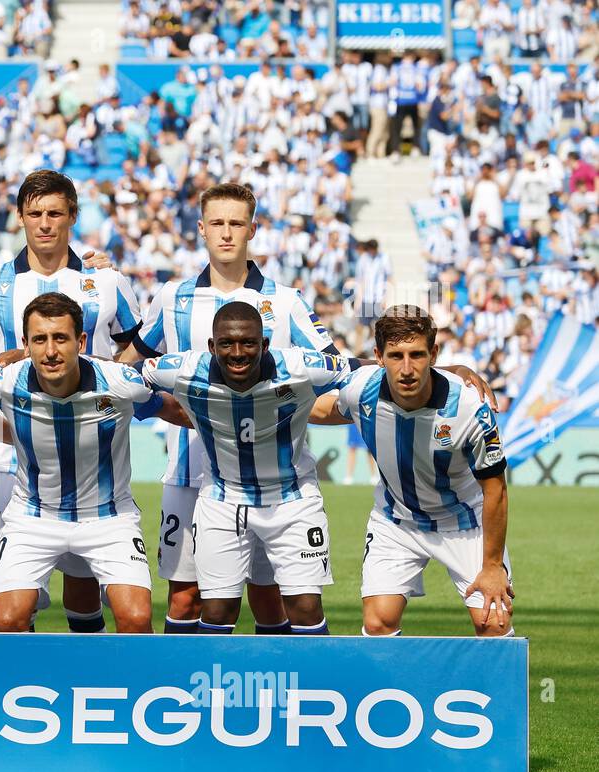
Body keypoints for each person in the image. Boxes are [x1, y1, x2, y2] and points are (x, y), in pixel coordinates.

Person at [117, 182, 338, 635]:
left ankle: (271, 695)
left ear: (252, 229)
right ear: (201, 228)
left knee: (269, 594)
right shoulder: (174, 297)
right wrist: (159, 407)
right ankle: (184, 695)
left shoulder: (285, 300)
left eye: (236, 223)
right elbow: (125, 369)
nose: (226, 233)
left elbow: (335, 371)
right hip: (189, 467)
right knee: (186, 594)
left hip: (270, 472)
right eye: (216, 223)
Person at [0, 169, 141, 633]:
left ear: (73, 215)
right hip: (12, 462)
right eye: (35, 214)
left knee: (84, 587)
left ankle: (84, 693)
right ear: (20, 217)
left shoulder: (105, 281)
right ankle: (22, 688)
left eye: (55, 213)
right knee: (15, 606)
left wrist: (104, 381)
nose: (45, 223)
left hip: (94, 461)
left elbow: (137, 353)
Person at [141, 301, 355, 636]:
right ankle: (208, 688)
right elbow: (124, 377)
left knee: (305, 608)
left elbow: (364, 370)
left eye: (248, 343)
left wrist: (452, 371)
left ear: (265, 344)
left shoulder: (300, 367)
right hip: (222, 501)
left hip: (293, 499)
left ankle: (313, 687)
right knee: (216, 611)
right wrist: (168, 409)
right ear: (212, 346)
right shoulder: (182, 369)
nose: (237, 353)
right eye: (226, 344)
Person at [320, 306, 513, 638]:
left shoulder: (469, 408)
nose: (406, 369)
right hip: (397, 520)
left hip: (464, 523)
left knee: (493, 623)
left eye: (417, 355)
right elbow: (327, 409)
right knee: (378, 622)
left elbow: (495, 489)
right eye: (395, 356)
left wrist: (493, 566)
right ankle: (389, 692)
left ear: (433, 354)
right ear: (378, 356)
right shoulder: (361, 389)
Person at [0, 293, 155, 633]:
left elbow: (173, 405)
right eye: (39, 340)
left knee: (136, 619)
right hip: (32, 516)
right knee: (8, 620)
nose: (51, 351)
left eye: (61, 338)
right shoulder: (6, 382)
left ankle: (121, 685)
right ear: (25, 344)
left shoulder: (120, 383)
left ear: (80, 341)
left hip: (109, 516)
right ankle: (27, 685)